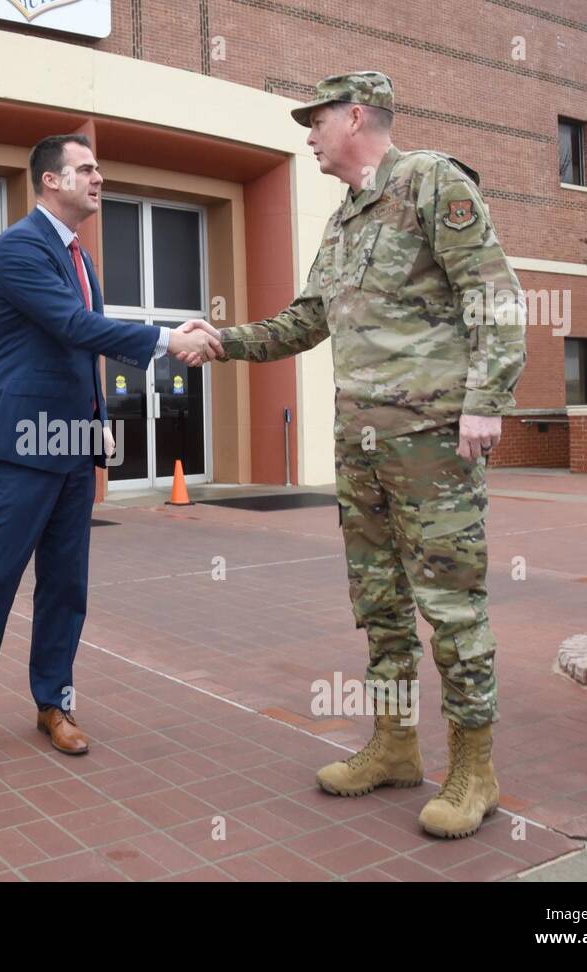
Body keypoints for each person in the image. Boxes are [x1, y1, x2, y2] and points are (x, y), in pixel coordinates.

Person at [215, 72, 527, 839]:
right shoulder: (346, 219)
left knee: (451, 609)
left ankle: (475, 769)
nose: (308, 134)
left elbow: (496, 296)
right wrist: (220, 340)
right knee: (380, 605)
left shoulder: (432, 183)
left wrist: (486, 402)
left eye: (315, 120)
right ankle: (393, 746)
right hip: (361, 451)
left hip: (432, 446)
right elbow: (304, 321)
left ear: (356, 116)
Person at [0, 134, 222, 764]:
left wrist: (98, 419)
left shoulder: (82, 259)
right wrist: (170, 339)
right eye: (86, 169)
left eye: (99, 168)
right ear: (50, 182)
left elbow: (80, 349)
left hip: (74, 444)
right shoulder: (20, 248)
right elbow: (72, 324)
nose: (98, 178)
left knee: (66, 586)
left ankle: (52, 704)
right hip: (20, 447)